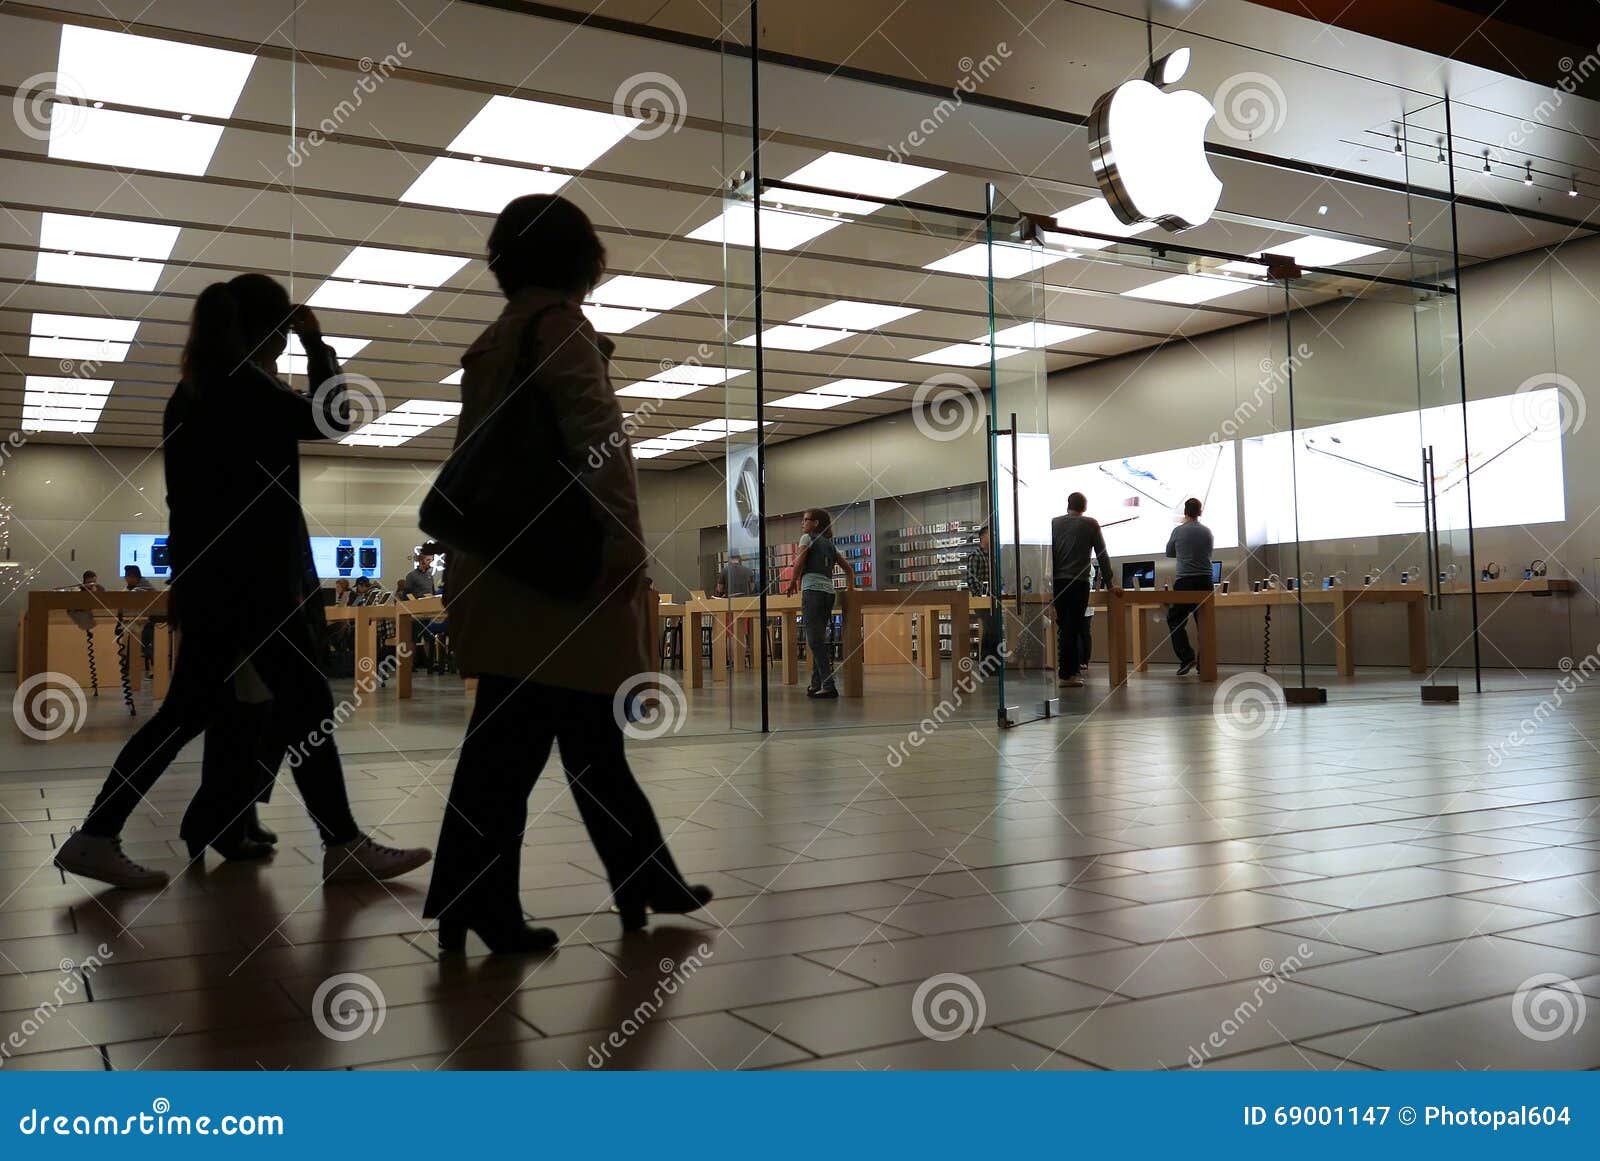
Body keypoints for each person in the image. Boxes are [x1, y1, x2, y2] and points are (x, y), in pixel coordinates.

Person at [54, 273, 431, 889]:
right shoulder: (246, 386)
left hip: (212, 582)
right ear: (274, 332)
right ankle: (342, 845)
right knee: (305, 706)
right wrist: (317, 346)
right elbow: (334, 417)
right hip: (257, 585)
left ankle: (97, 835)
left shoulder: (195, 390)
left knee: (187, 713)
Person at [423, 194, 709, 954]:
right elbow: (600, 450)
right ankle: (485, 900)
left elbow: (478, 468)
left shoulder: (495, 340)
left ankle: (637, 877)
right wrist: (627, 554)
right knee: (531, 746)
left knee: (565, 739)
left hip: (505, 570)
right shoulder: (561, 332)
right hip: (561, 582)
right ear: (582, 261)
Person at [1050, 491, 1116, 688]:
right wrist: (1110, 584)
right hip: (1079, 582)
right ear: (1084, 507)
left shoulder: (1054, 523)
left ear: (1067, 505)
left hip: (1058, 582)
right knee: (1074, 627)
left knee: (1064, 626)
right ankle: (1068, 674)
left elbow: (1049, 553)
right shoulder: (1091, 524)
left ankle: (1068, 672)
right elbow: (1102, 554)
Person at [789, 508, 856, 699]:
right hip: (828, 593)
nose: (802, 523)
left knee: (814, 640)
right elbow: (849, 570)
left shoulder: (807, 538)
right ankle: (816, 683)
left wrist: (793, 580)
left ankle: (828, 685)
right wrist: (850, 590)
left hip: (812, 591)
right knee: (818, 638)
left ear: (816, 523)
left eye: (805, 520)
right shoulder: (830, 546)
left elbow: (799, 561)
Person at [1165, 497, 1215, 676]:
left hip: (1184, 581)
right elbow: (1208, 552)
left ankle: (1187, 657)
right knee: (1204, 623)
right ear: (1200, 512)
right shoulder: (1207, 531)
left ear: (1185, 512)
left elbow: (1170, 552)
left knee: (1175, 620)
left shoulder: (1178, 531)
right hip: (1205, 580)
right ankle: (1204, 663)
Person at [963, 525, 1000, 666]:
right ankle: (986, 663)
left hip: (992, 599)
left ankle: (991, 663)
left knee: (993, 629)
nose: (994, 537)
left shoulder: (992, 556)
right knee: (990, 629)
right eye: (991, 535)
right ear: (983, 536)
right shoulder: (975, 555)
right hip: (983, 601)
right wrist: (980, 597)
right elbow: (971, 579)